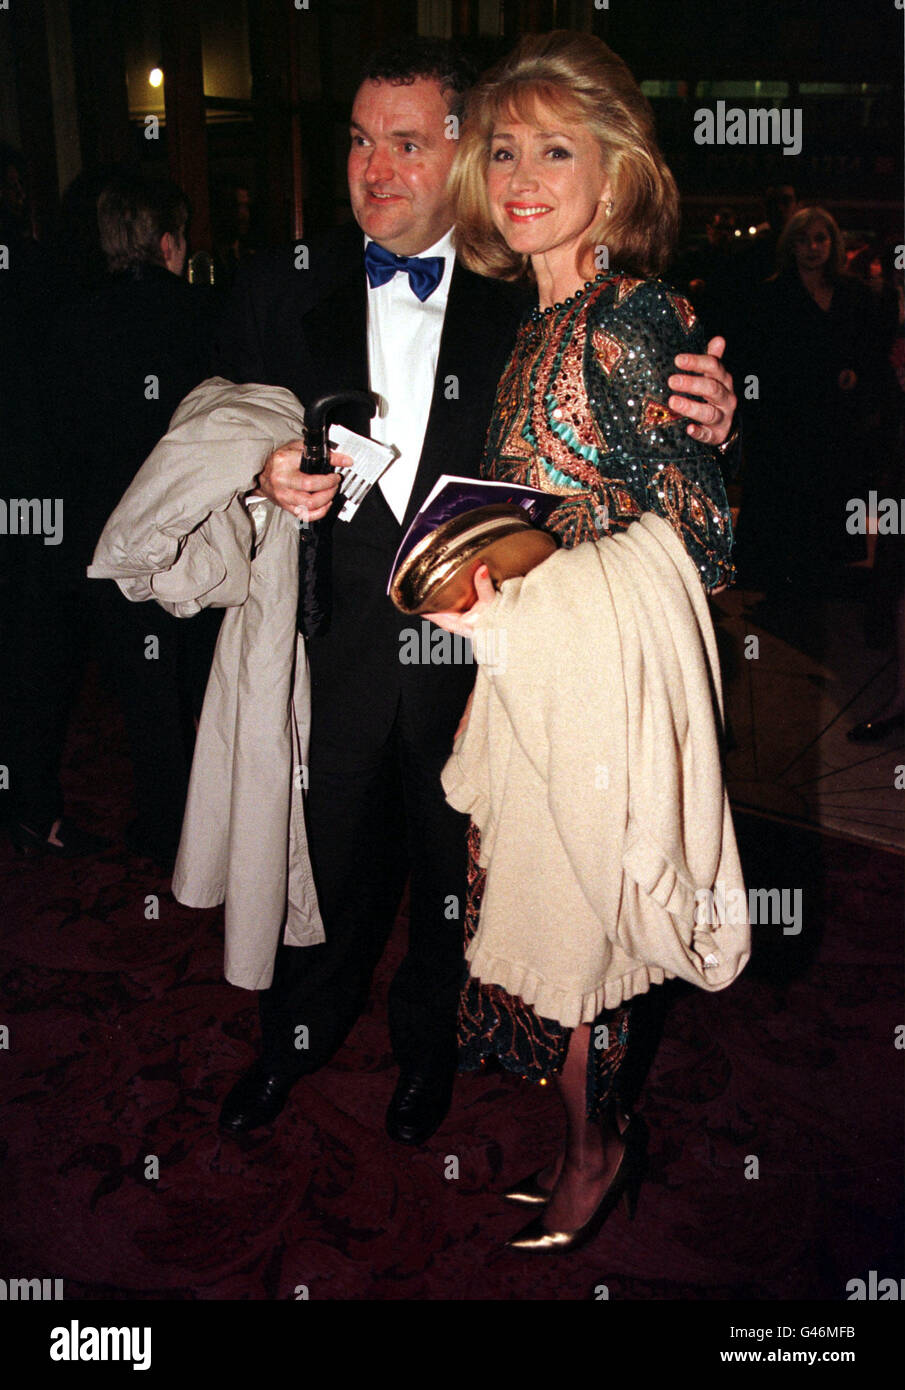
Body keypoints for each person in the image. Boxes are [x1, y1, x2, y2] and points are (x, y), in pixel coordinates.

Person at [188, 38, 739, 1147]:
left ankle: (424, 1056)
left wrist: (713, 414)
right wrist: (255, 467)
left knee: (454, 880)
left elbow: (633, 445)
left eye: (408, 141)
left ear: (459, 163)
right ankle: (290, 1042)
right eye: (357, 140)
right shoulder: (278, 283)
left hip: (488, 669)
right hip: (330, 643)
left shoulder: (530, 283)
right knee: (319, 865)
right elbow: (209, 413)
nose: (374, 167)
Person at [427, 30, 747, 1250]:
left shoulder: (628, 315)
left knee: (593, 940)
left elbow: (702, 543)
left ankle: (596, 1153)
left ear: (612, 179)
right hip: (531, 678)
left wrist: (713, 440)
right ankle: (586, 1141)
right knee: (553, 927)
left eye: (555, 148)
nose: (519, 172)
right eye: (503, 147)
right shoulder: (531, 328)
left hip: (593, 685)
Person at [6, 172, 217, 862]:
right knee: (194, 685)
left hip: (97, 537)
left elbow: (47, 442)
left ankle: (153, 831)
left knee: (124, 694)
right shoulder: (209, 314)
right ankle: (201, 830)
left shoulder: (65, 324)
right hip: (188, 530)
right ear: (166, 242)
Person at [734, 206, 891, 595]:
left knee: (832, 494)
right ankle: (782, 580)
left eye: (820, 239)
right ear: (791, 246)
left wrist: (855, 371)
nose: (812, 248)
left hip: (836, 416)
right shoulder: (772, 293)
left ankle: (823, 574)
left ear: (833, 243)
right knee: (787, 498)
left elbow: (869, 348)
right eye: (803, 240)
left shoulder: (852, 292)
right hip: (786, 416)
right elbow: (754, 357)